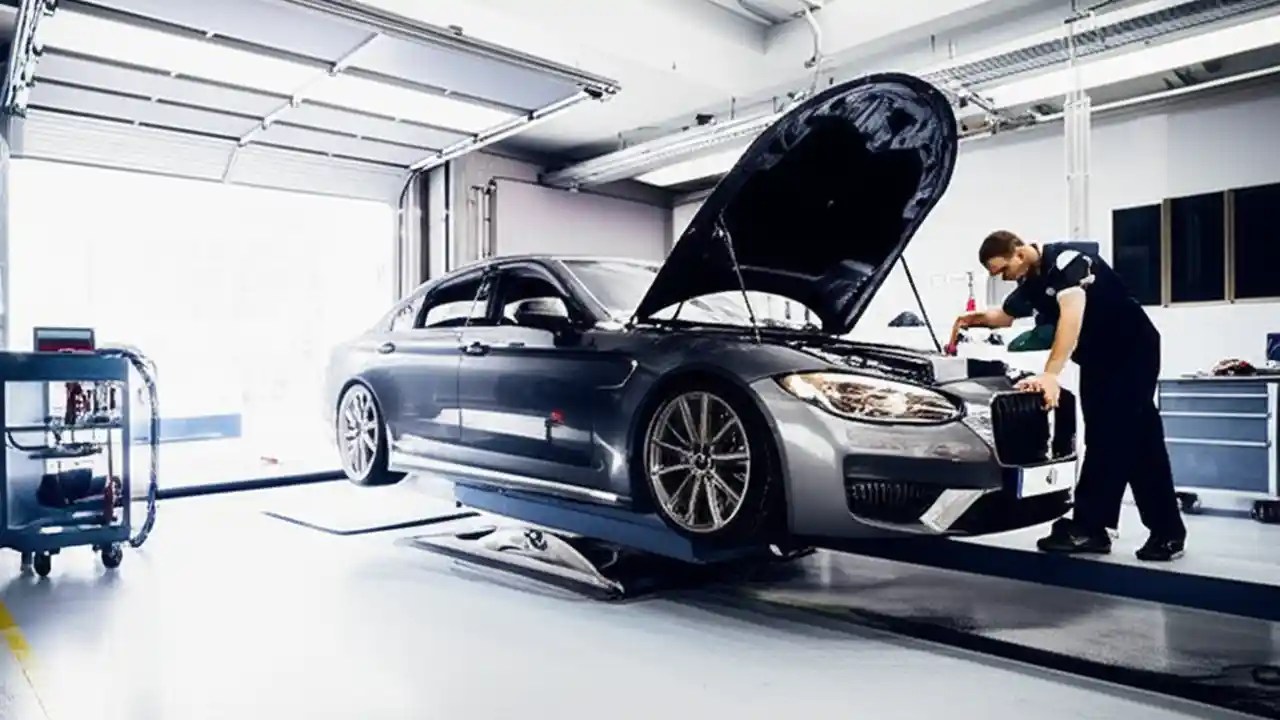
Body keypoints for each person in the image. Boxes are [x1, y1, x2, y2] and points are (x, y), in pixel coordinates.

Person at [949, 230, 1186, 562]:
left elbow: (1071, 319)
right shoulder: (1031, 280)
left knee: (1110, 437)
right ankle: (1167, 532)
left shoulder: (1068, 261)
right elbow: (1005, 315)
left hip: (1131, 349)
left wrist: (1050, 374)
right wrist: (972, 320)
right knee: (1139, 440)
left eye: (1003, 270)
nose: (1004, 277)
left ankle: (1090, 527)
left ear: (1018, 253)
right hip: (1099, 357)